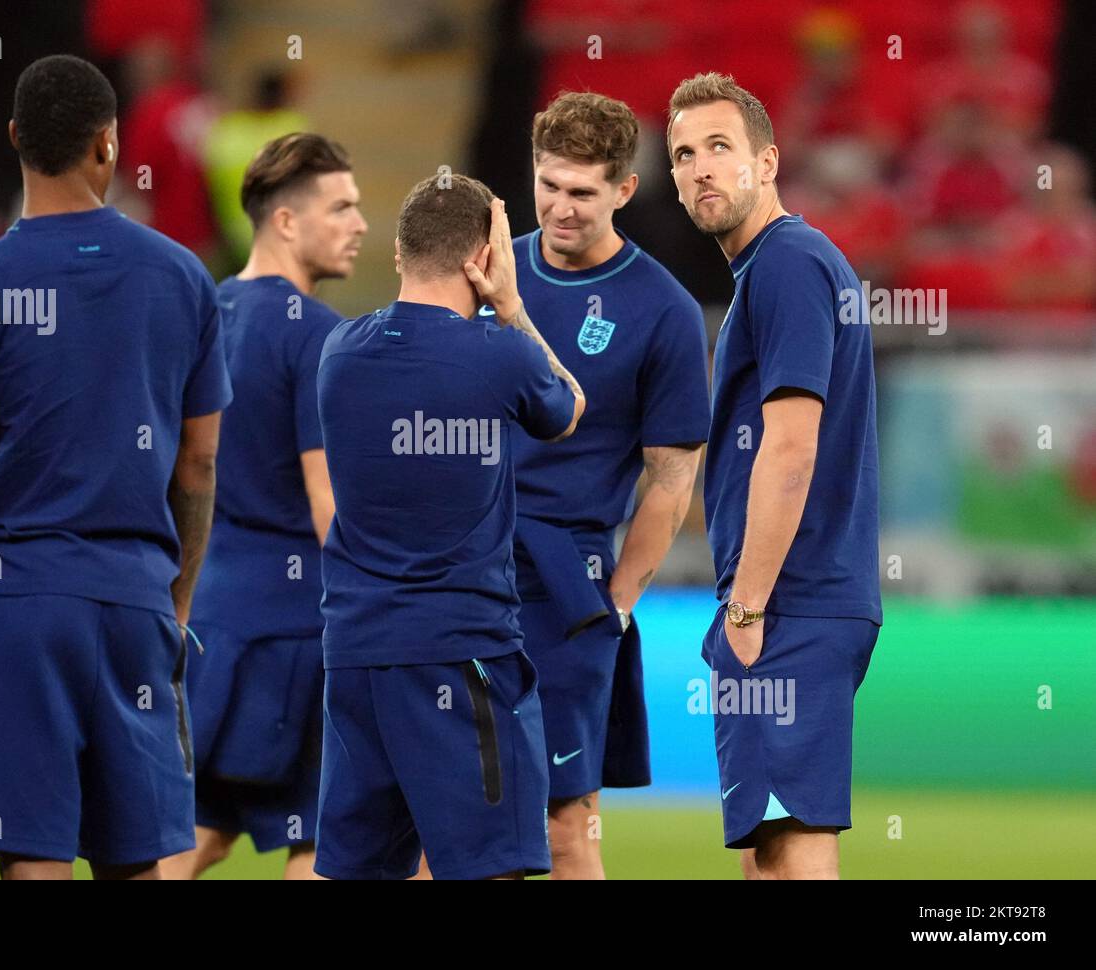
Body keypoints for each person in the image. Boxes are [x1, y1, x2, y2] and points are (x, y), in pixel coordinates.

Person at [0, 54, 230, 880]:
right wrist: (175, 606)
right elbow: (197, 465)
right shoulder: (185, 279)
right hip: (134, 602)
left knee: (34, 860)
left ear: (15, 139)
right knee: (137, 862)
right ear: (109, 145)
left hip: (18, 607)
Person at [314, 175, 585, 880]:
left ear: (401, 252)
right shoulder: (501, 353)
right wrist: (513, 304)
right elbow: (569, 410)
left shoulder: (338, 352)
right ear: (484, 255)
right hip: (461, 655)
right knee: (490, 867)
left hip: (355, 657)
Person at [667, 72, 882, 879]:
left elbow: (791, 447)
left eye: (720, 147)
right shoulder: (780, 265)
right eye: (684, 154)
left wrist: (748, 605)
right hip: (801, 595)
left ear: (768, 160)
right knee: (770, 851)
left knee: (794, 845)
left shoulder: (787, 263)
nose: (700, 169)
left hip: (791, 596)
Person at [500, 92, 710, 879]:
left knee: (565, 824)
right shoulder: (484, 274)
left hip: (566, 583)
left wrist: (617, 602)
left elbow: (671, 476)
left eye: (582, 192)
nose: (560, 206)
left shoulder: (664, 311)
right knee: (431, 813)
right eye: (548, 184)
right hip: (455, 568)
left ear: (624, 190)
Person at [161, 133, 366, 880]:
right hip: (301, 630)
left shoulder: (201, 316)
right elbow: (327, 502)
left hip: (210, 617)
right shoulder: (321, 337)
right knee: (322, 841)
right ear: (285, 221)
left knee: (195, 831)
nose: (361, 224)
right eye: (341, 206)